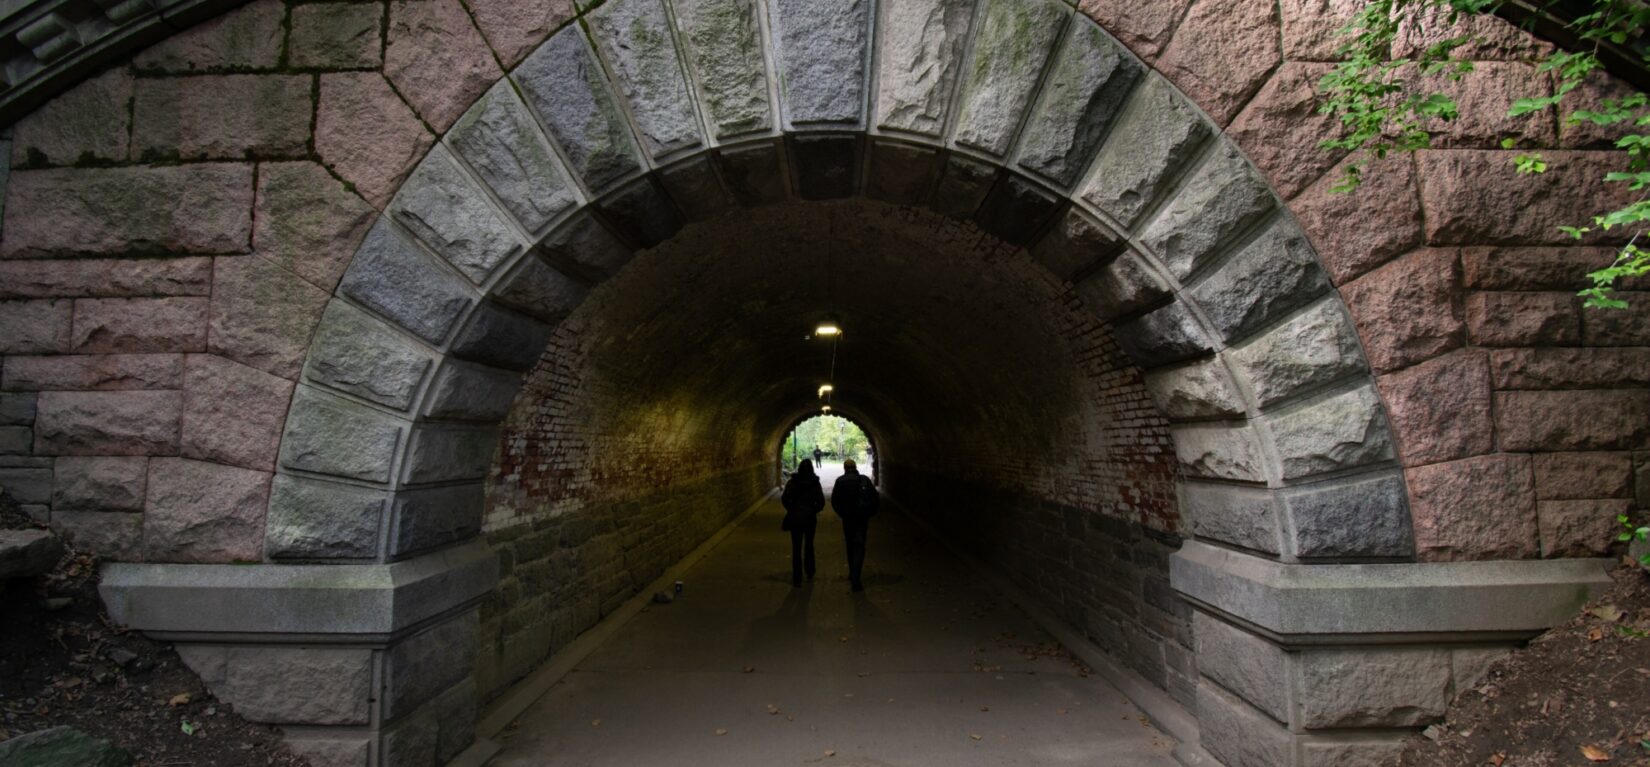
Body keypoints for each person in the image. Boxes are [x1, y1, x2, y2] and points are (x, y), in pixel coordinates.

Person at [830, 459, 879, 592]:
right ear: (855, 467)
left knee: (850, 544)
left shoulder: (840, 481)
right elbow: (875, 498)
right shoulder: (864, 480)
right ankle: (856, 576)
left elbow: (834, 501)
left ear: (844, 468)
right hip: (862, 518)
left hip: (848, 519)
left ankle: (853, 573)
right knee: (860, 545)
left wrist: (842, 514)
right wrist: (869, 514)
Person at [780, 459, 825, 586]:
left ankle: (797, 577)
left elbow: (785, 499)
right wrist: (813, 510)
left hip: (795, 519)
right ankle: (810, 570)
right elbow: (821, 502)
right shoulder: (815, 483)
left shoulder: (792, 482)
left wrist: (792, 509)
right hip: (810, 519)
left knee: (796, 547)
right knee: (809, 545)